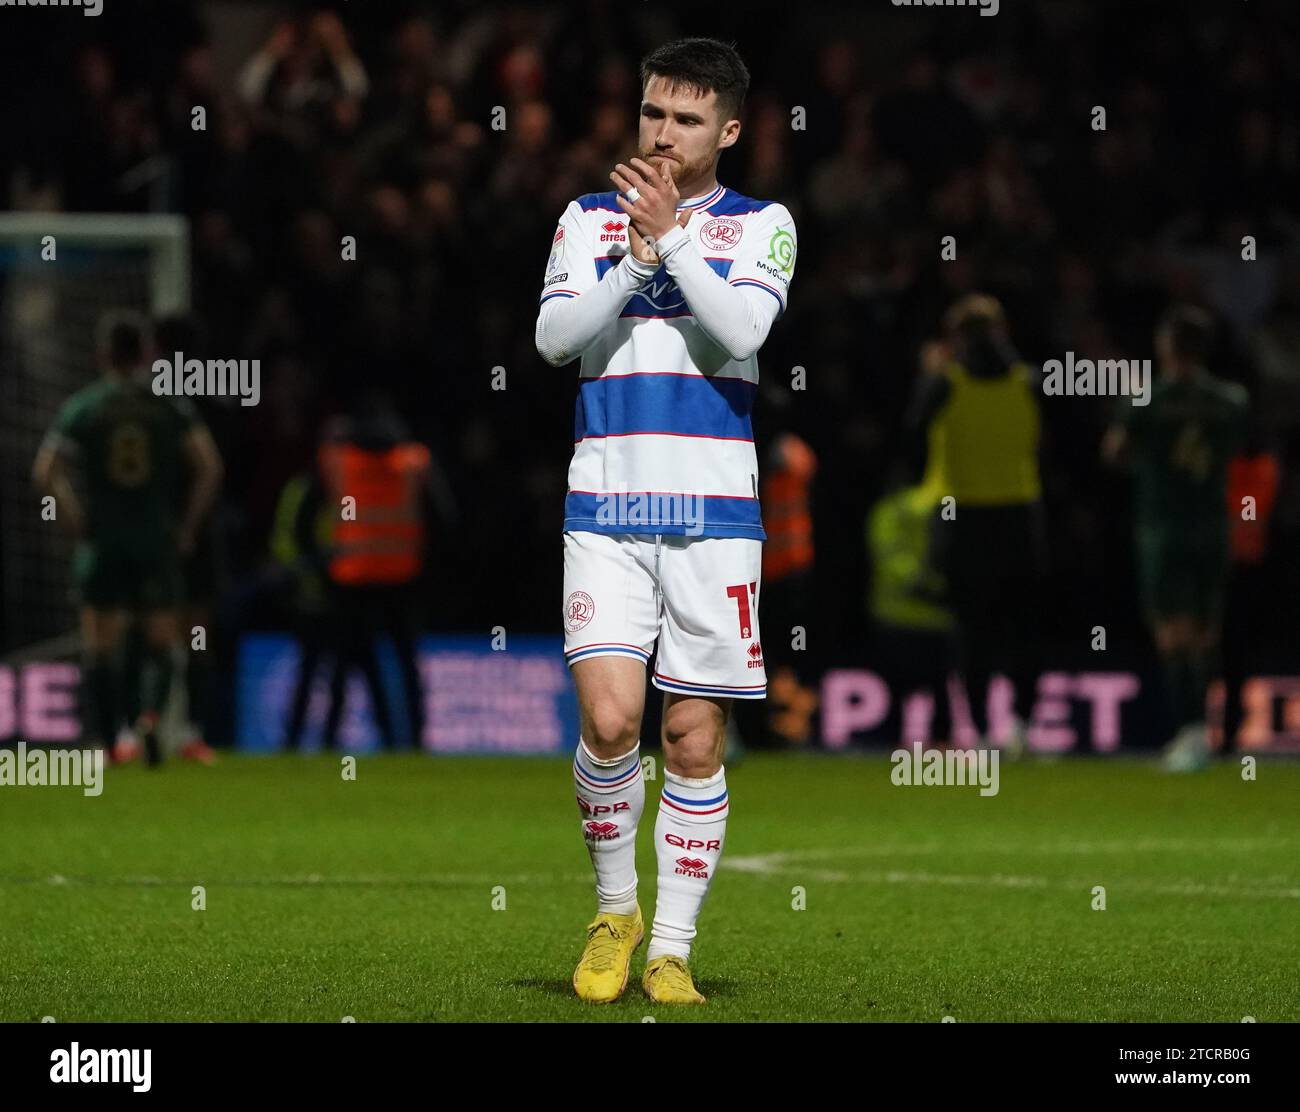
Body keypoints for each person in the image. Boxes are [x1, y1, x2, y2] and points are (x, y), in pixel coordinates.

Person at [535, 37, 797, 1004]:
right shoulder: (587, 218)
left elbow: (744, 331)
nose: (663, 133)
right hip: (607, 508)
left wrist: (674, 242)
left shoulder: (764, 224)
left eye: (687, 119)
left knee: (690, 739)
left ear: (726, 132)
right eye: (653, 112)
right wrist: (631, 258)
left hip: (714, 519)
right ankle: (616, 914)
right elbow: (554, 339)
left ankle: (672, 949)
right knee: (610, 723)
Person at [32, 311, 223, 766]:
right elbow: (210, 467)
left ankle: (108, 743)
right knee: (162, 641)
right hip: (155, 537)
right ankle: (150, 719)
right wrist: (188, 527)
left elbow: (46, 472)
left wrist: (72, 517)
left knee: (101, 644)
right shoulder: (169, 406)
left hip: (103, 540)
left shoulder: (84, 406)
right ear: (146, 354)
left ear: (103, 355)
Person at [1101, 306, 1250, 771]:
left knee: (1172, 633)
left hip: (1164, 527)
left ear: (1166, 345)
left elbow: (1114, 452)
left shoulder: (1147, 398)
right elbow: (1239, 450)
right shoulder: (1231, 399)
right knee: (1206, 633)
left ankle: (1190, 731)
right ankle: (1208, 732)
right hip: (1212, 525)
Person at [908, 295, 1045, 754]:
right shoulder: (1029, 382)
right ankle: (1022, 724)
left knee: (973, 633)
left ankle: (985, 729)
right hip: (1019, 516)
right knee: (1022, 628)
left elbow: (911, 434)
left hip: (963, 518)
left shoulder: (945, 383)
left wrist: (930, 372)